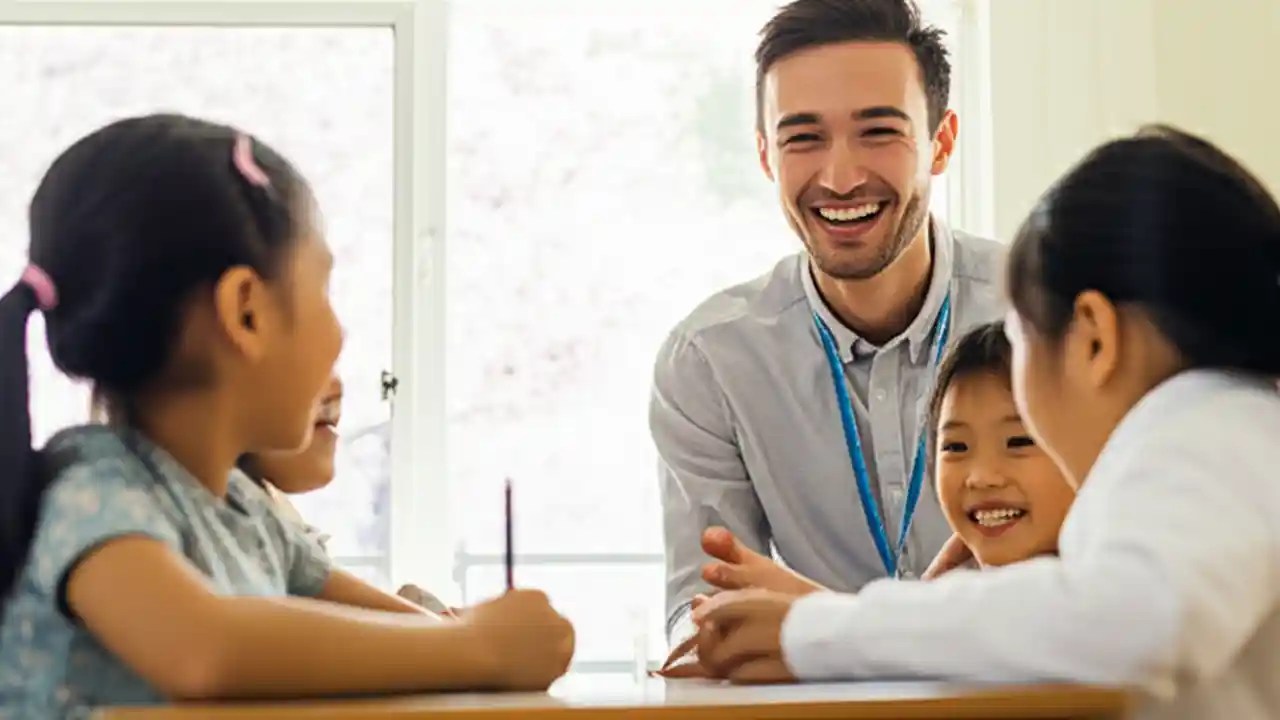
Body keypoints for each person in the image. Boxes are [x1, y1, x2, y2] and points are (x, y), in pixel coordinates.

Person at [691, 125, 1280, 720]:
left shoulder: (1205, 432)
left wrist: (815, 631)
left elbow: (1136, 620)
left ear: (1094, 339)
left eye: (1020, 339)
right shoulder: (1236, 432)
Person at [0, 114, 573, 718]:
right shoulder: (93, 485)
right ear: (247, 312)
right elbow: (205, 648)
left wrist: (486, 639)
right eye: (323, 289)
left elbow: (409, 635)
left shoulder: (251, 516)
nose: (340, 333)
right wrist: (481, 646)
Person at [651, 0, 1005, 651]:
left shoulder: (1044, 319)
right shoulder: (709, 362)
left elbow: (1092, 600)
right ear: (765, 155)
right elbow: (702, 615)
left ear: (942, 143)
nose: (840, 178)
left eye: (878, 132)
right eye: (803, 139)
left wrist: (817, 619)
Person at [660, 321, 1075, 676]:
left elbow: (1003, 632)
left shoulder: (1091, 588)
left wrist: (811, 619)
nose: (981, 477)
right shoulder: (957, 586)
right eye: (955, 447)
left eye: (1019, 441)